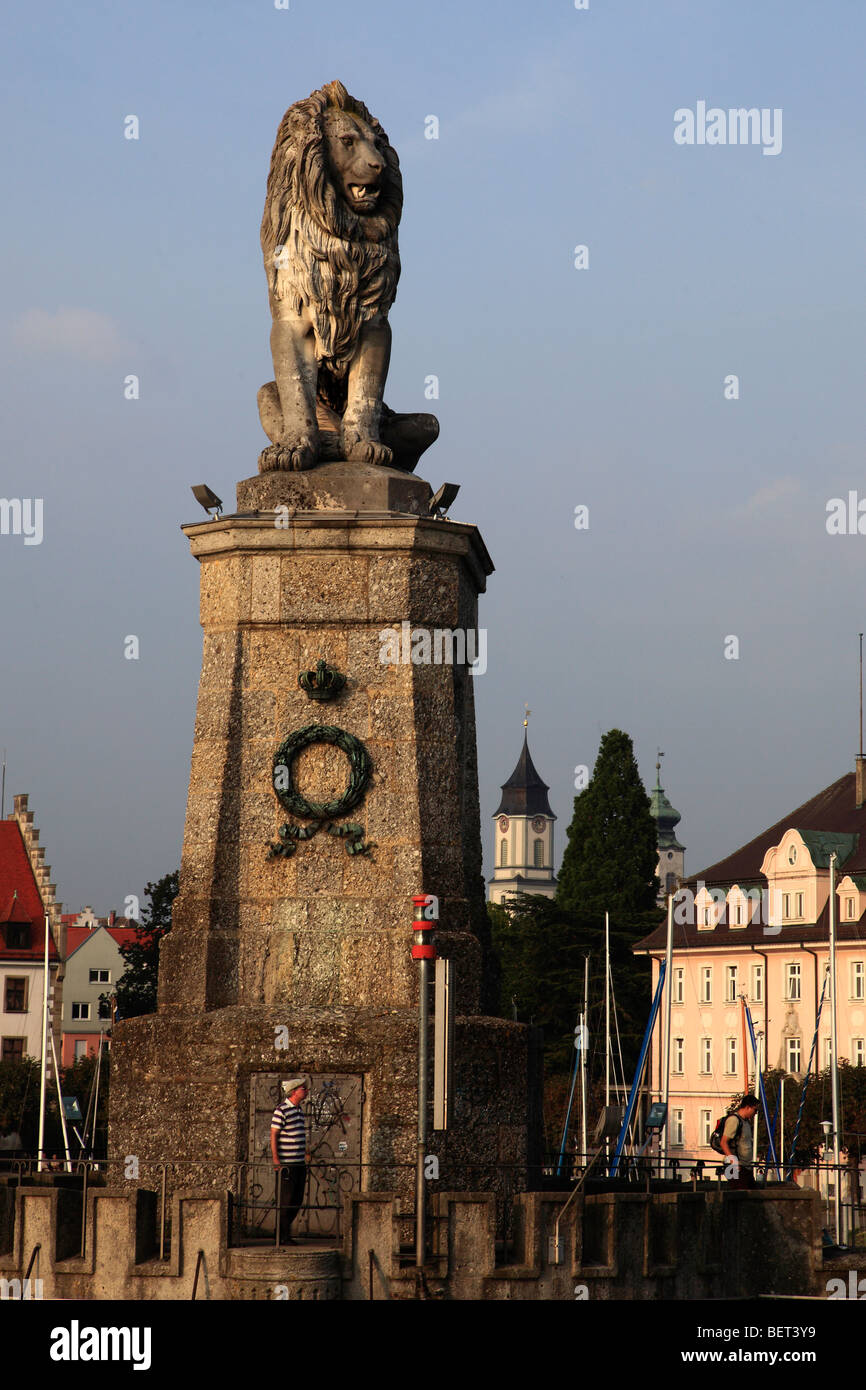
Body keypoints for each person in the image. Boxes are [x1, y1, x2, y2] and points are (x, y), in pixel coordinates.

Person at [270, 1076, 309, 1245]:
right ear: (294, 1092)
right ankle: (281, 1235)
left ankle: (284, 1232)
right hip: (287, 1164)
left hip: (299, 1162)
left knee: (297, 1199)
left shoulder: (299, 1111)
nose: (306, 1091)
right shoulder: (282, 1110)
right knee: (286, 1200)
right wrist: (276, 1159)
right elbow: (274, 1135)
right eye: (303, 1089)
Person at [720, 1094, 760, 1188]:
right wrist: (733, 1161)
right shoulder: (734, 1120)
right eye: (755, 1110)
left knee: (751, 1194)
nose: (756, 1113)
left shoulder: (745, 1122)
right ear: (747, 1107)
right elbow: (723, 1142)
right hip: (733, 1167)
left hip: (744, 1166)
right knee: (738, 1194)